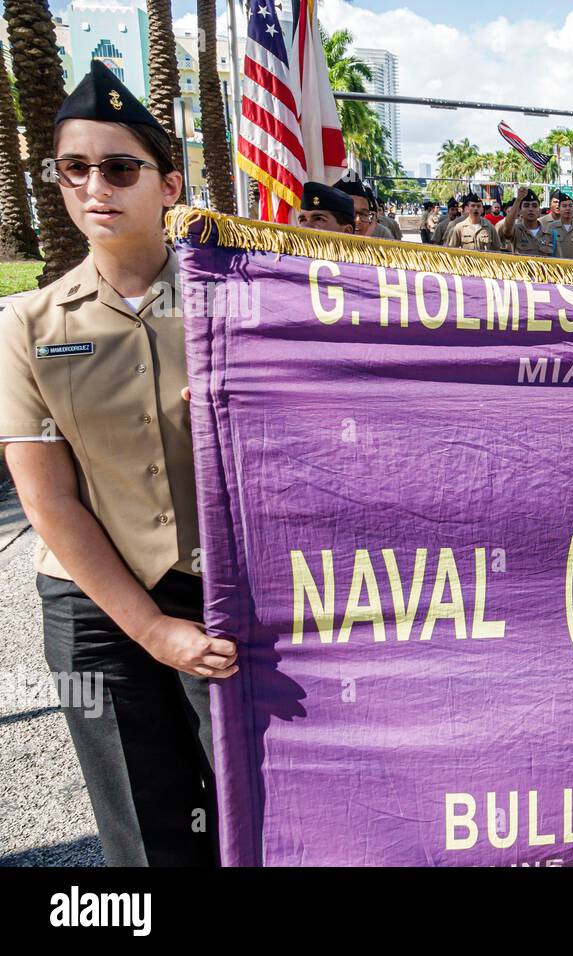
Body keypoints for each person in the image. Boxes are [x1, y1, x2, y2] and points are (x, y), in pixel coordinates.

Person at [0, 62, 236, 866]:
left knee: (256, 805)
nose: (95, 186)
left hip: (222, 590)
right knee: (144, 831)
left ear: (169, 184)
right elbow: (50, 502)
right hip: (93, 607)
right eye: (73, 168)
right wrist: (154, 631)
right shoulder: (26, 325)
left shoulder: (235, 306)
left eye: (120, 167)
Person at [497, 188, 554, 257]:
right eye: (526, 206)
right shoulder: (516, 230)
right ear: (520, 211)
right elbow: (507, 228)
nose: (530, 209)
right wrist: (518, 199)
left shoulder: (548, 233)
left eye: (534, 206)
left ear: (539, 211)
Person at [549, 193, 573, 260]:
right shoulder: (551, 227)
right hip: (557, 268)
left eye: (570, 206)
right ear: (559, 209)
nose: (568, 208)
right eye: (564, 206)